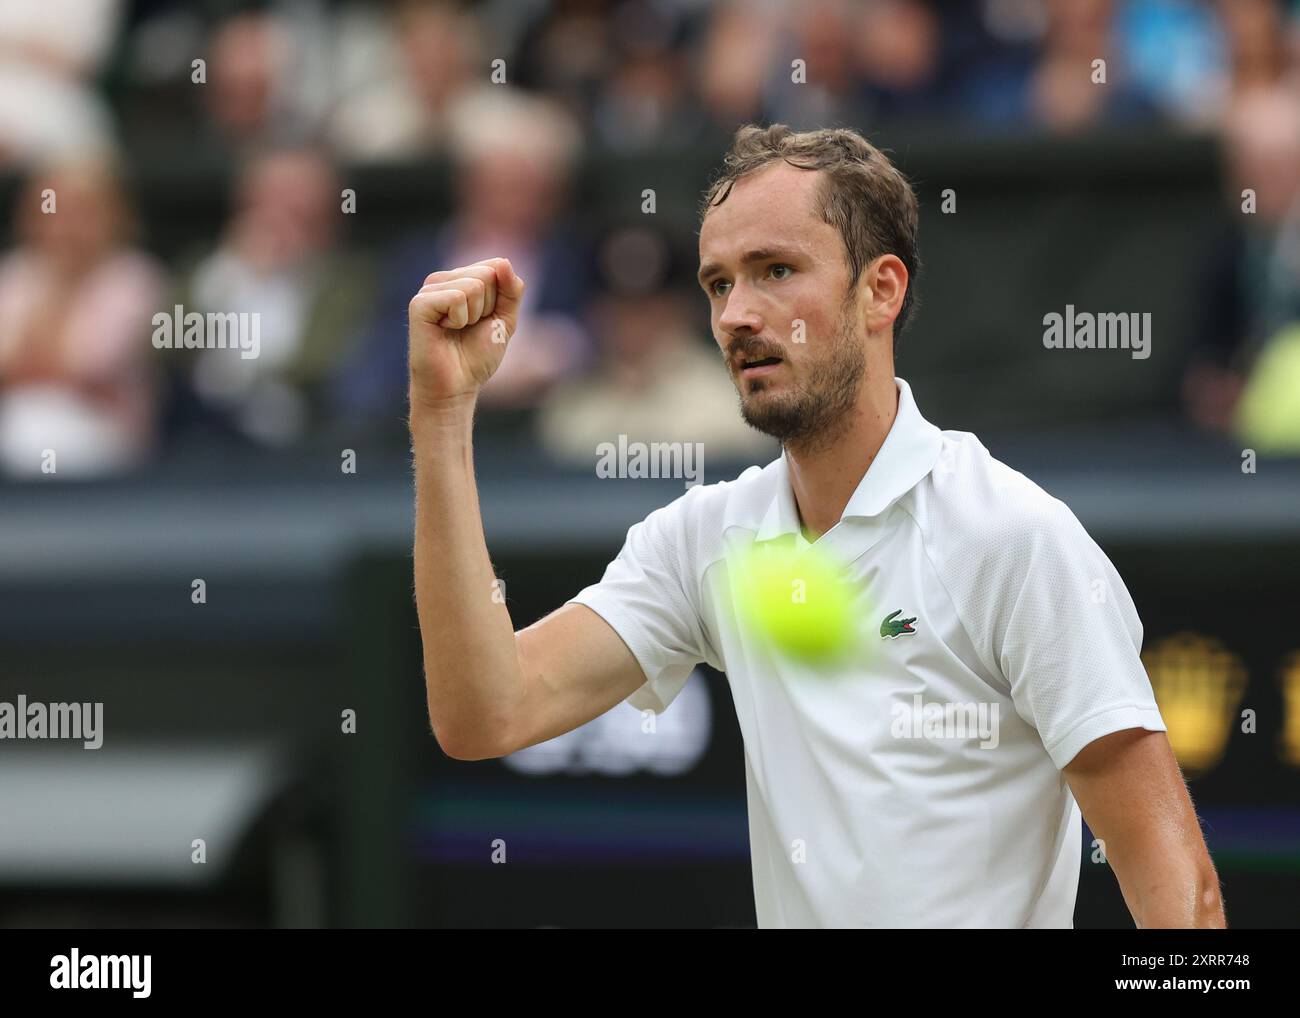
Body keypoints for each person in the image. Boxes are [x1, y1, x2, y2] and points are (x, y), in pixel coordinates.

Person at [406, 124, 1224, 929]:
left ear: (882, 291)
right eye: (720, 283)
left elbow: (1181, 894)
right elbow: (486, 716)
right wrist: (443, 416)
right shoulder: (704, 540)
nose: (735, 315)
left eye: (776, 271)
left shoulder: (1012, 538)